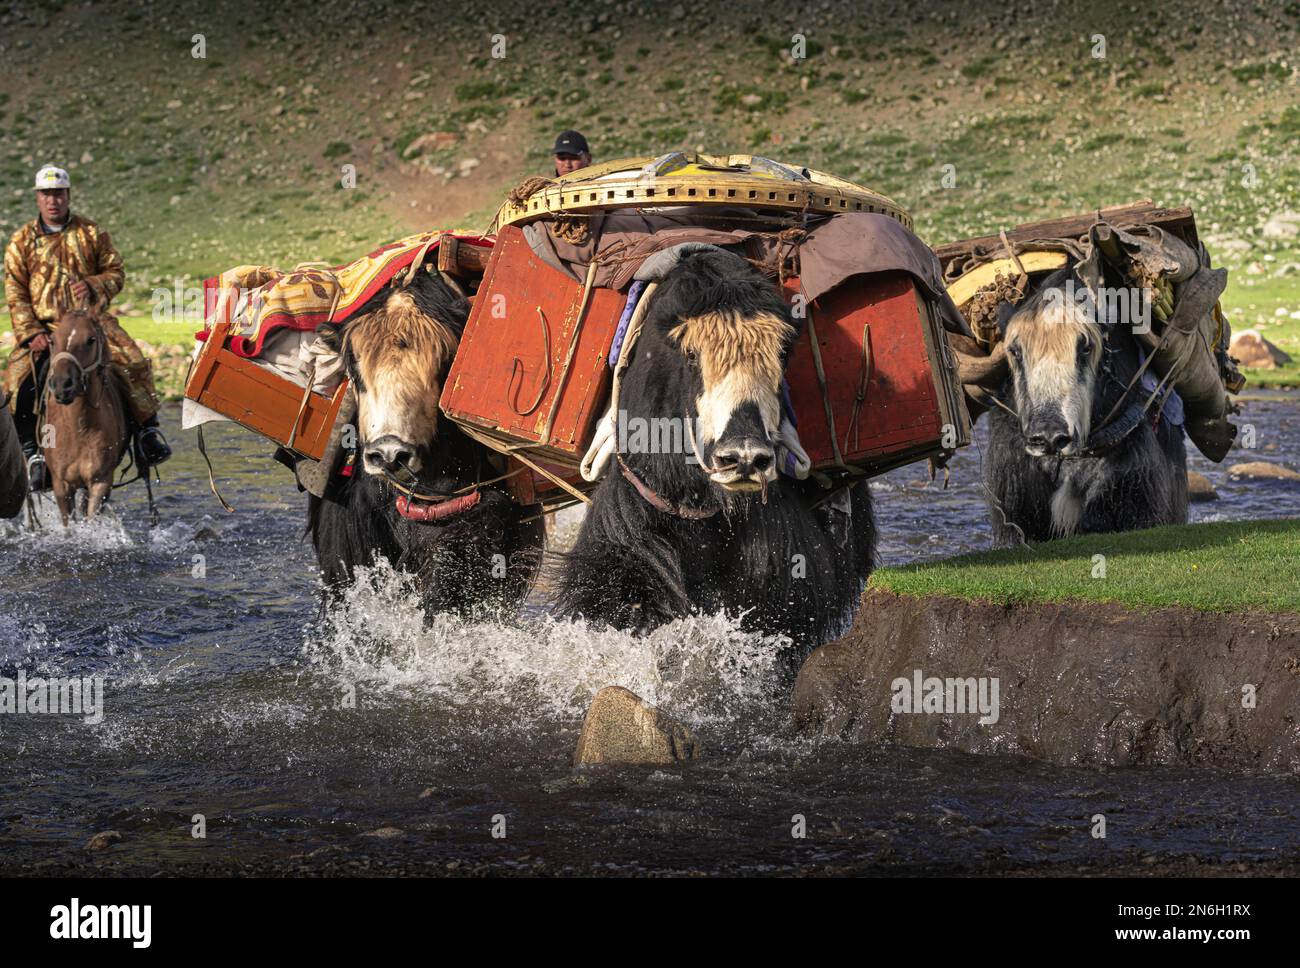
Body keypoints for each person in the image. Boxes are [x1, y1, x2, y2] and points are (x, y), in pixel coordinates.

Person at [3, 165, 171, 489]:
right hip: (47, 328)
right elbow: (15, 291)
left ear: (67, 196)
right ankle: (31, 453)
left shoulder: (91, 233)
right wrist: (31, 332)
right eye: (47, 194)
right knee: (18, 382)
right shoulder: (21, 241)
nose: (53, 200)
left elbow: (116, 272)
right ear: (38, 198)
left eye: (59, 194)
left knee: (133, 361)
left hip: (91, 323)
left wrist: (95, 285)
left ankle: (146, 434)